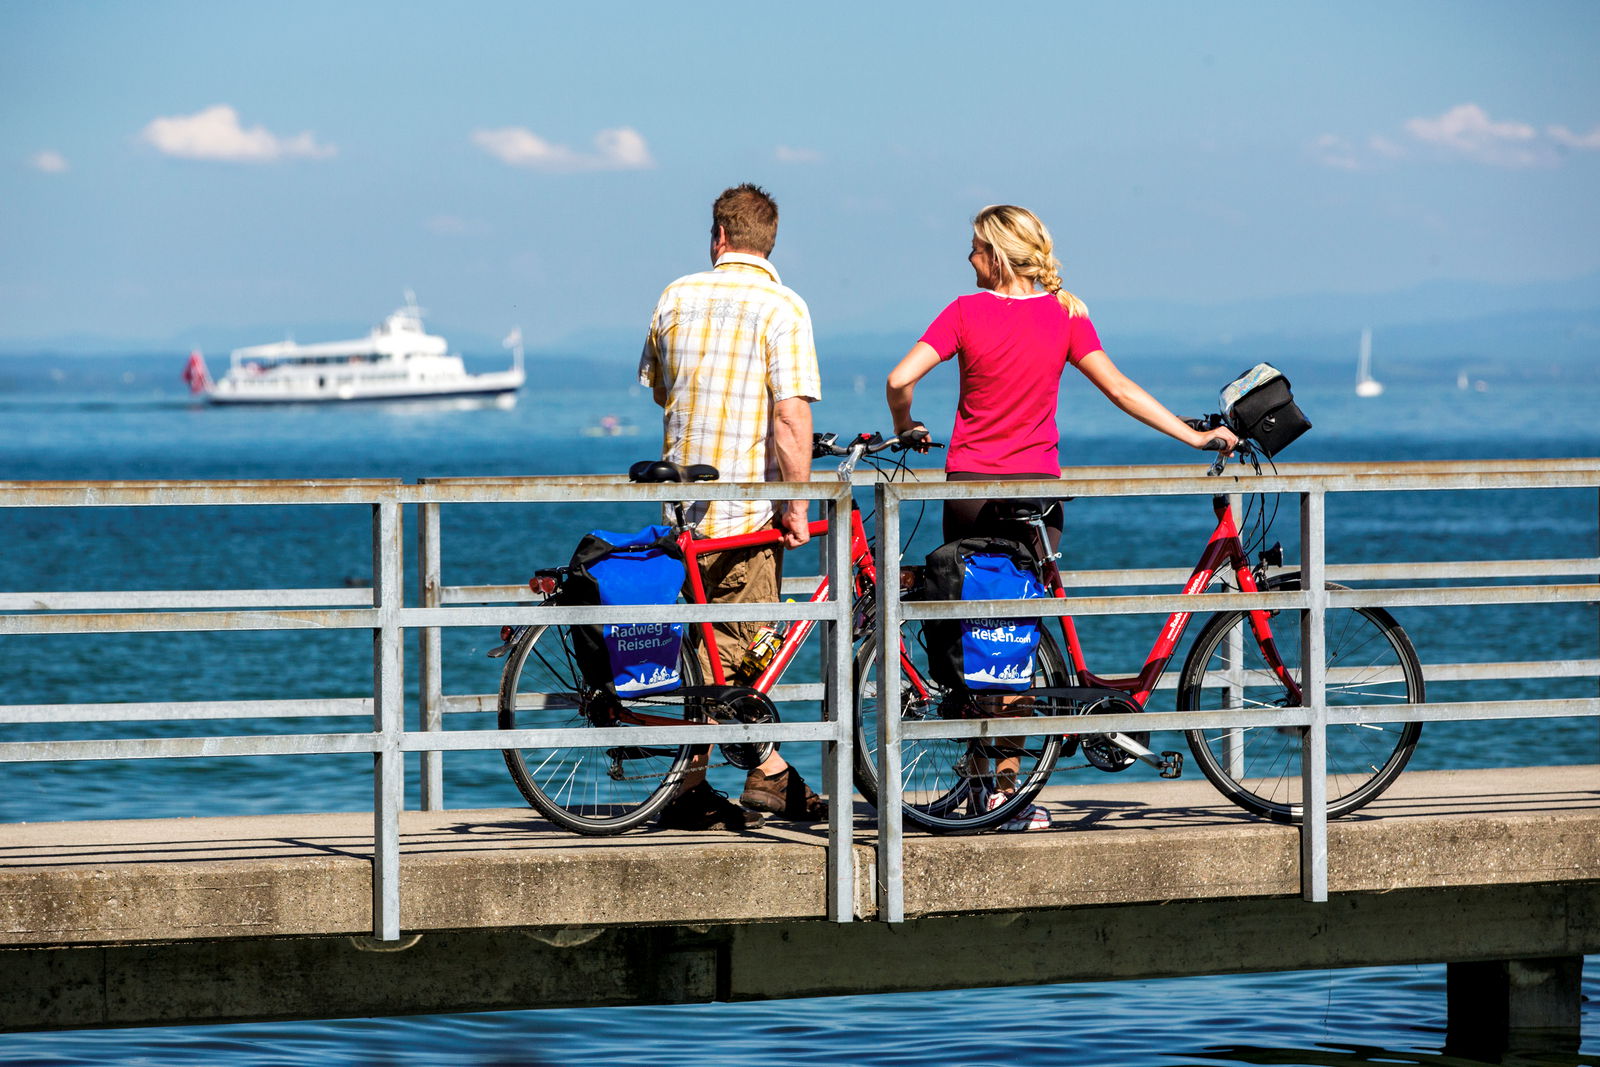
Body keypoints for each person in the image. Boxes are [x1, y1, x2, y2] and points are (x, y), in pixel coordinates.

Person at [885, 203, 1237, 829]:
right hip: (1034, 499)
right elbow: (1122, 390)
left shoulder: (964, 313)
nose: (967, 257)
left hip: (968, 489)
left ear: (996, 255)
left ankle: (979, 783)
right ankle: (1009, 792)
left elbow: (899, 377)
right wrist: (1192, 437)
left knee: (976, 632)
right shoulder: (1066, 313)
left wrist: (906, 426)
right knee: (1015, 639)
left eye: (974, 247)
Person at [638, 183, 828, 831]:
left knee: (700, 654)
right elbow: (790, 417)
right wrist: (796, 507)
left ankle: (694, 783)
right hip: (746, 518)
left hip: (682, 515)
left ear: (718, 236)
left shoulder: (676, 296)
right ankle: (768, 772)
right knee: (743, 657)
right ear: (768, 241)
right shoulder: (782, 307)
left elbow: (662, 389)